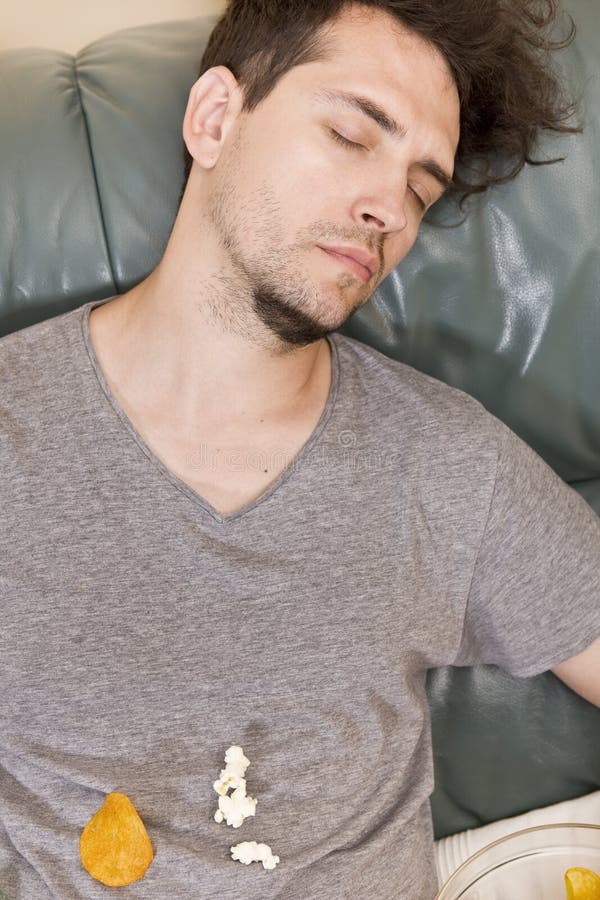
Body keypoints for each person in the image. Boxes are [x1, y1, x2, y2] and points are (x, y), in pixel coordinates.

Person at [1, 1, 599, 898]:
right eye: (353, 136)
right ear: (214, 118)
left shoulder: (447, 464)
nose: (386, 210)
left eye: (421, 188)